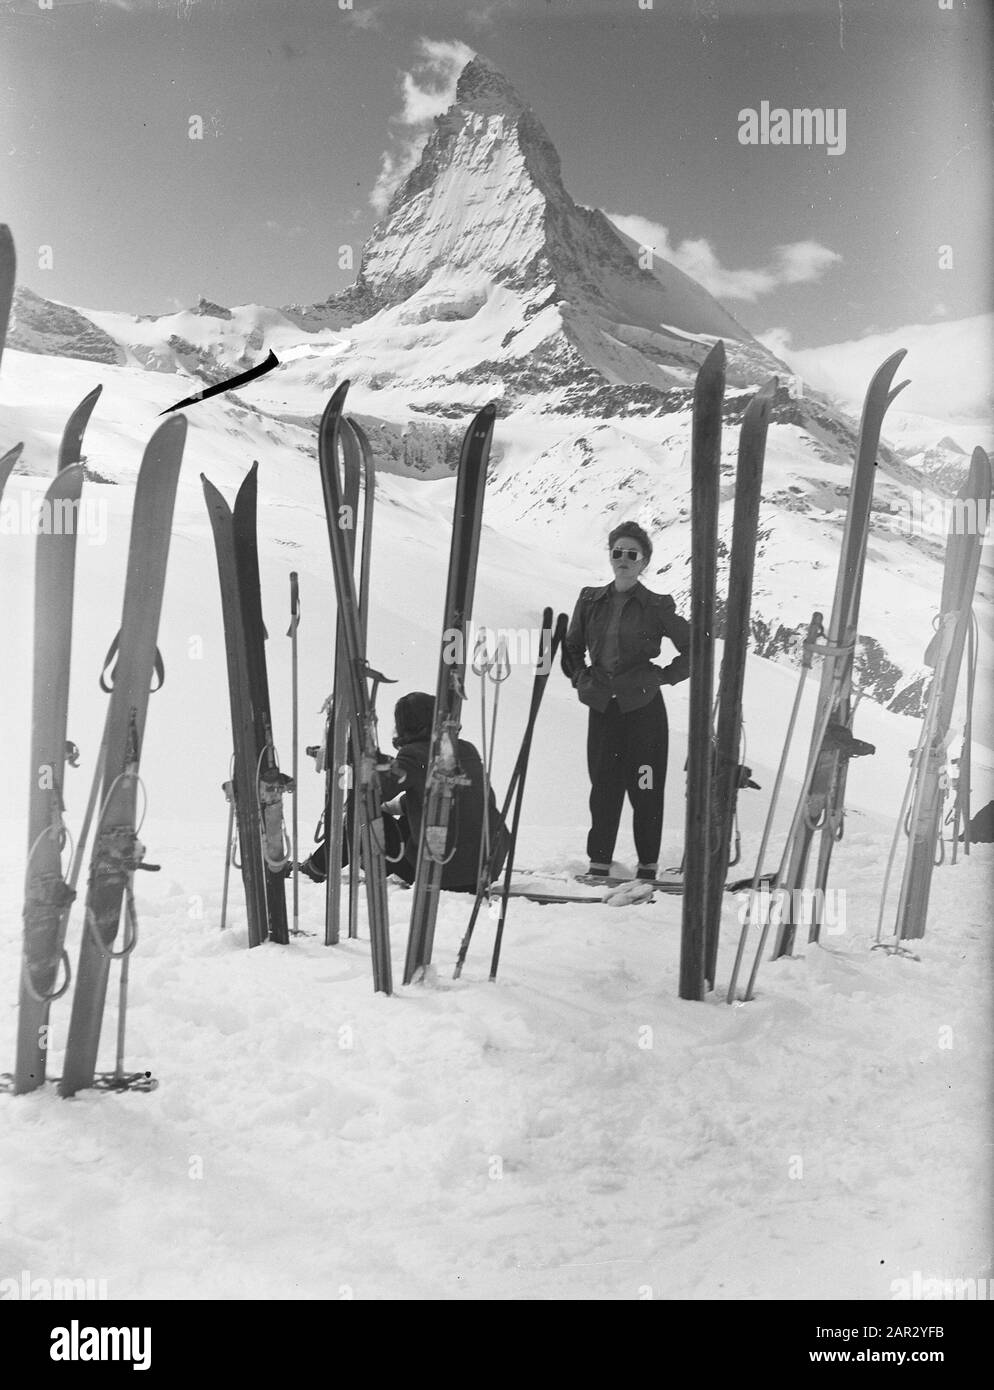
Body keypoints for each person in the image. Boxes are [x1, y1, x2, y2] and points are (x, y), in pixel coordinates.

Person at [563, 521, 690, 881]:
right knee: (603, 785)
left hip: (644, 711)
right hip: (604, 708)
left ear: (644, 561)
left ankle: (648, 866)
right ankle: (599, 864)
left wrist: (662, 676)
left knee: (645, 786)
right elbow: (572, 647)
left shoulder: (657, 606)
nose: (623, 559)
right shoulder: (590, 600)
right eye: (617, 552)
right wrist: (581, 678)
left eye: (631, 554)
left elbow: (696, 646)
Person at [298, 691, 508, 893]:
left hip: (443, 872)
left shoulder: (413, 755)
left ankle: (314, 869)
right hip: (484, 868)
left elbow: (370, 794)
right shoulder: (467, 749)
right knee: (412, 821)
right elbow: (445, 795)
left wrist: (342, 766)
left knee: (361, 821)